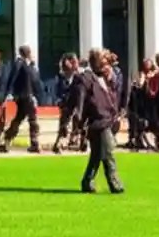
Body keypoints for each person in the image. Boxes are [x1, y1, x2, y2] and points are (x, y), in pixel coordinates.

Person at [67, 48, 124, 193]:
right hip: (97, 121)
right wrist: (78, 118)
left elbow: (114, 92)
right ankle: (114, 183)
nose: (107, 66)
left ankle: (87, 182)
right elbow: (80, 98)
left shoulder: (103, 78)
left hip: (107, 118)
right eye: (103, 63)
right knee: (108, 152)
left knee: (97, 155)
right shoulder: (85, 78)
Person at [0, 45, 43, 153]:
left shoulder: (30, 65)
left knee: (19, 119)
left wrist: (38, 95)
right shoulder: (19, 63)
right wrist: (8, 93)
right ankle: (34, 143)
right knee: (32, 120)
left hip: (28, 96)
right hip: (24, 96)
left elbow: (36, 81)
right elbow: (12, 78)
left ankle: (7, 141)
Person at [51, 53, 82, 154]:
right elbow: (57, 89)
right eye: (74, 61)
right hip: (66, 103)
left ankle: (73, 141)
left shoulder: (78, 75)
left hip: (77, 103)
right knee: (65, 123)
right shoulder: (61, 76)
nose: (76, 63)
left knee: (77, 122)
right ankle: (59, 144)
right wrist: (59, 100)